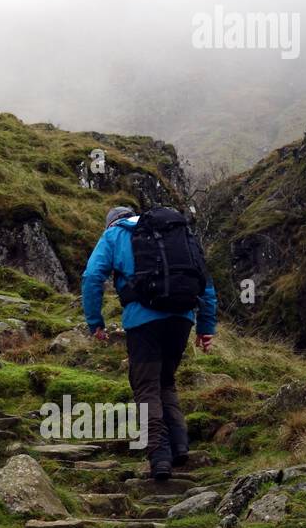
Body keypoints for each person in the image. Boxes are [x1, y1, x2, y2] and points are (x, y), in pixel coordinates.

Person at [81, 205, 217, 480]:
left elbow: (92, 276)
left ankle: (159, 456)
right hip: (182, 317)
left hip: (143, 320)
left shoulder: (114, 235)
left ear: (110, 223)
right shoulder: (173, 231)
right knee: (166, 379)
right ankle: (180, 446)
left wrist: (95, 323)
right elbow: (205, 282)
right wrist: (205, 327)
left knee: (145, 387)